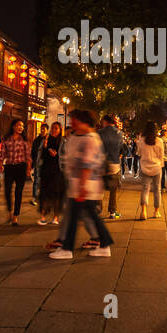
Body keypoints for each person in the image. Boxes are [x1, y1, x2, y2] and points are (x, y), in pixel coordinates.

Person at [50, 109, 113, 259]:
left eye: (75, 120)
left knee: (74, 217)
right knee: (88, 216)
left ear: (83, 121)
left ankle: (67, 248)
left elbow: (86, 164)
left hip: (84, 185)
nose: (72, 123)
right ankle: (104, 245)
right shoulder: (79, 136)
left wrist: (82, 187)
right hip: (80, 184)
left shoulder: (90, 139)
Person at [0, 119, 31, 225]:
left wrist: (28, 169)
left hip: (21, 168)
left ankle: (15, 215)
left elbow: (28, 156)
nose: (21, 127)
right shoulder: (7, 139)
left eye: (22, 126)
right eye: (19, 125)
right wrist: (0, 166)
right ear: (13, 126)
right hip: (9, 167)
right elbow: (2, 154)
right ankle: (9, 211)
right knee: (7, 191)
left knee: (18, 192)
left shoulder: (24, 140)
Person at [136, 121, 165, 219]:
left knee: (145, 189)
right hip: (156, 167)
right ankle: (156, 212)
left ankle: (143, 211)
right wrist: (161, 165)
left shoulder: (141, 140)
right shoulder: (159, 141)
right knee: (157, 190)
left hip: (145, 167)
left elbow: (139, 153)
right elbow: (161, 156)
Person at [97, 114, 123, 220]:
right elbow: (122, 149)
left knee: (99, 189)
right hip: (115, 165)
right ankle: (113, 213)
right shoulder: (120, 133)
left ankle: (98, 211)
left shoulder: (99, 133)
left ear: (104, 121)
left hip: (102, 164)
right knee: (113, 191)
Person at [38, 121, 64, 224]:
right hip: (45, 170)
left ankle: (55, 217)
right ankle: (43, 216)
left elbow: (65, 156)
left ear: (60, 130)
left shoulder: (62, 142)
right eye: (52, 128)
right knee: (44, 194)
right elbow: (40, 155)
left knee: (56, 195)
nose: (54, 130)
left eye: (56, 128)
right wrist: (44, 148)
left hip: (58, 171)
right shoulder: (45, 140)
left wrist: (56, 155)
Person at [30, 125, 47, 205]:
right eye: (42, 129)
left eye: (44, 129)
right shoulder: (37, 140)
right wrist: (32, 163)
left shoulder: (49, 139)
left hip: (46, 164)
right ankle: (35, 197)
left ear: (47, 130)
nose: (42, 130)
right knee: (36, 180)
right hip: (37, 162)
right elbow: (33, 152)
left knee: (45, 181)